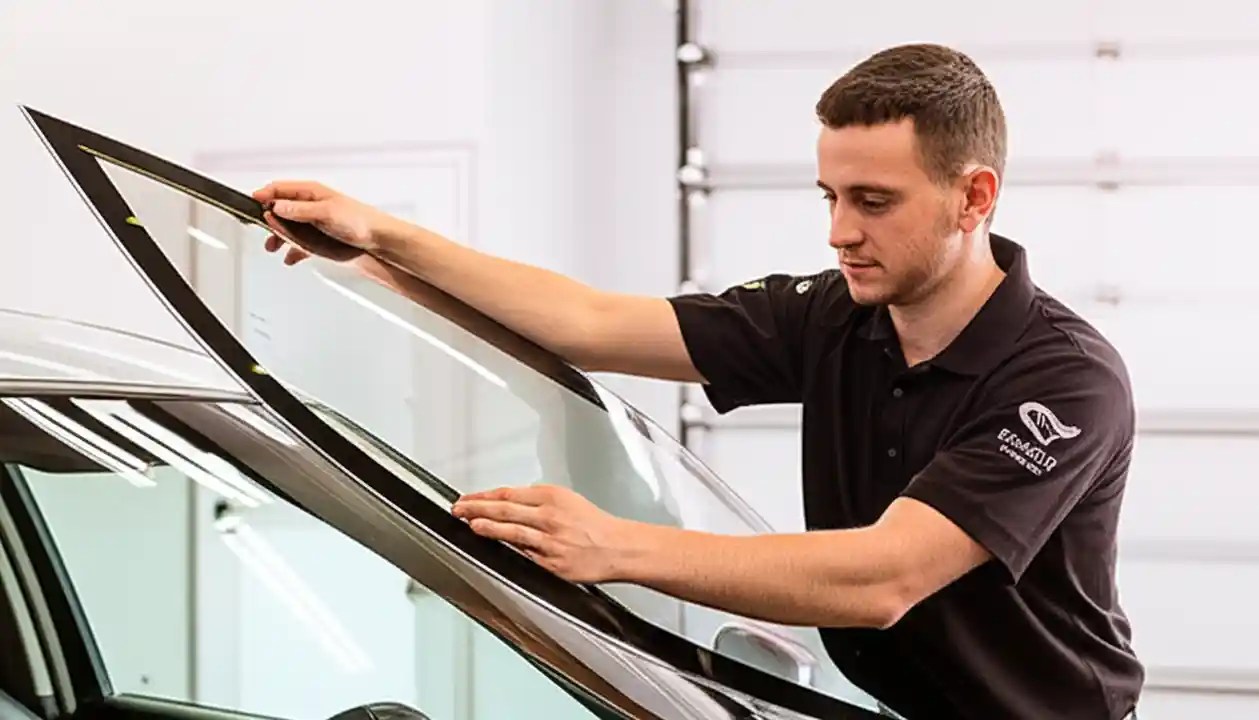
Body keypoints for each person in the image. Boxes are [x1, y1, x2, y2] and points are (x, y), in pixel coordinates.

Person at [253, 42, 1143, 720]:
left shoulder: (1064, 380)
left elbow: (884, 579)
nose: (839, 232)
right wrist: (385, 247)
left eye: (873, 202)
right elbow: (591, 323)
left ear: (974, 197)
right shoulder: (833, 314)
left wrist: (614, 548)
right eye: (829, 196)